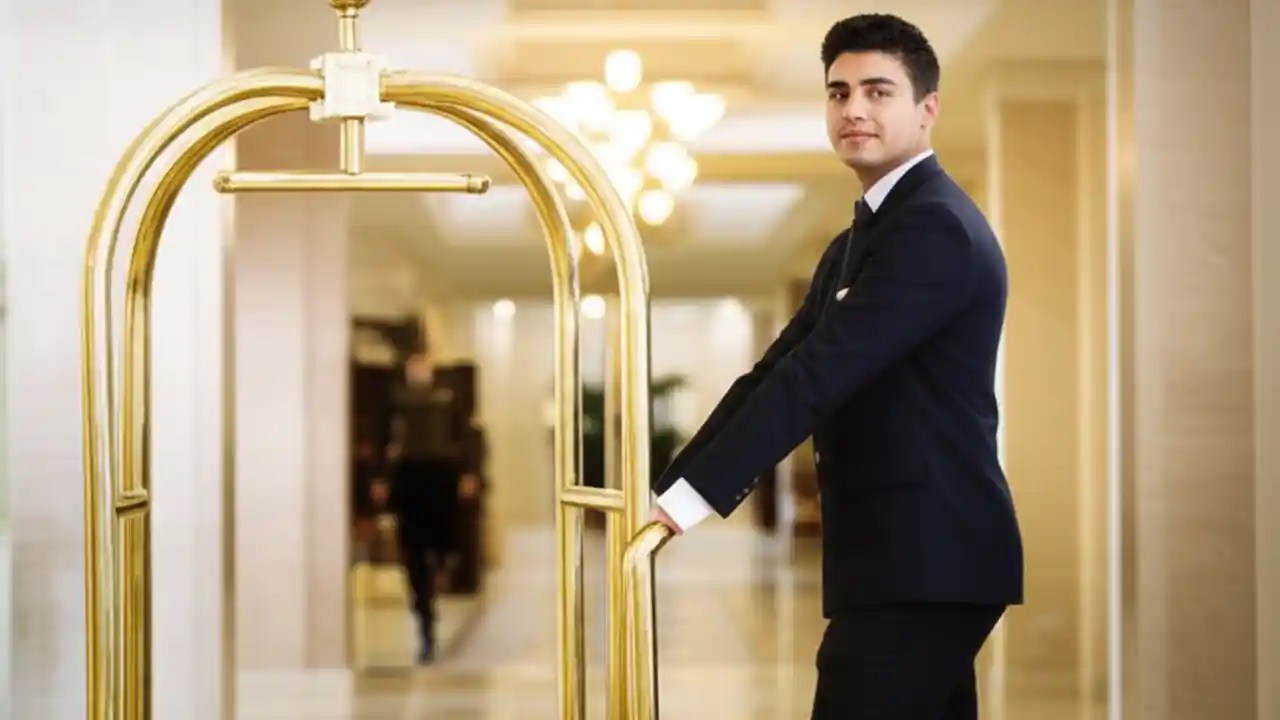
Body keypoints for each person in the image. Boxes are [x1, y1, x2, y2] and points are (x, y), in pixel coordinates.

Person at [649, 13, 1024, 720]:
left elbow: (817, 376)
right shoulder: (855, 240)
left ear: (927, 108)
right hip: (902, 563)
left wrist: (683, 506)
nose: (854, 109)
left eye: (879, 92)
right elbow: (772, 371)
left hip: (928, 561)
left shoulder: (934, 227)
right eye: (838, 92)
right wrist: (669, 489)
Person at [384, 349, 481, 663]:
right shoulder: (396, 402)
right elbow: (382, 440)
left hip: (440, 481)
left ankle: (436, 584)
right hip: (409, 482)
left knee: (443, 547)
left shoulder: (448, 401)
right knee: (414, 555)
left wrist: (467, 473)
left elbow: (464, 437)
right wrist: (380, 479)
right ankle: (424, 617)